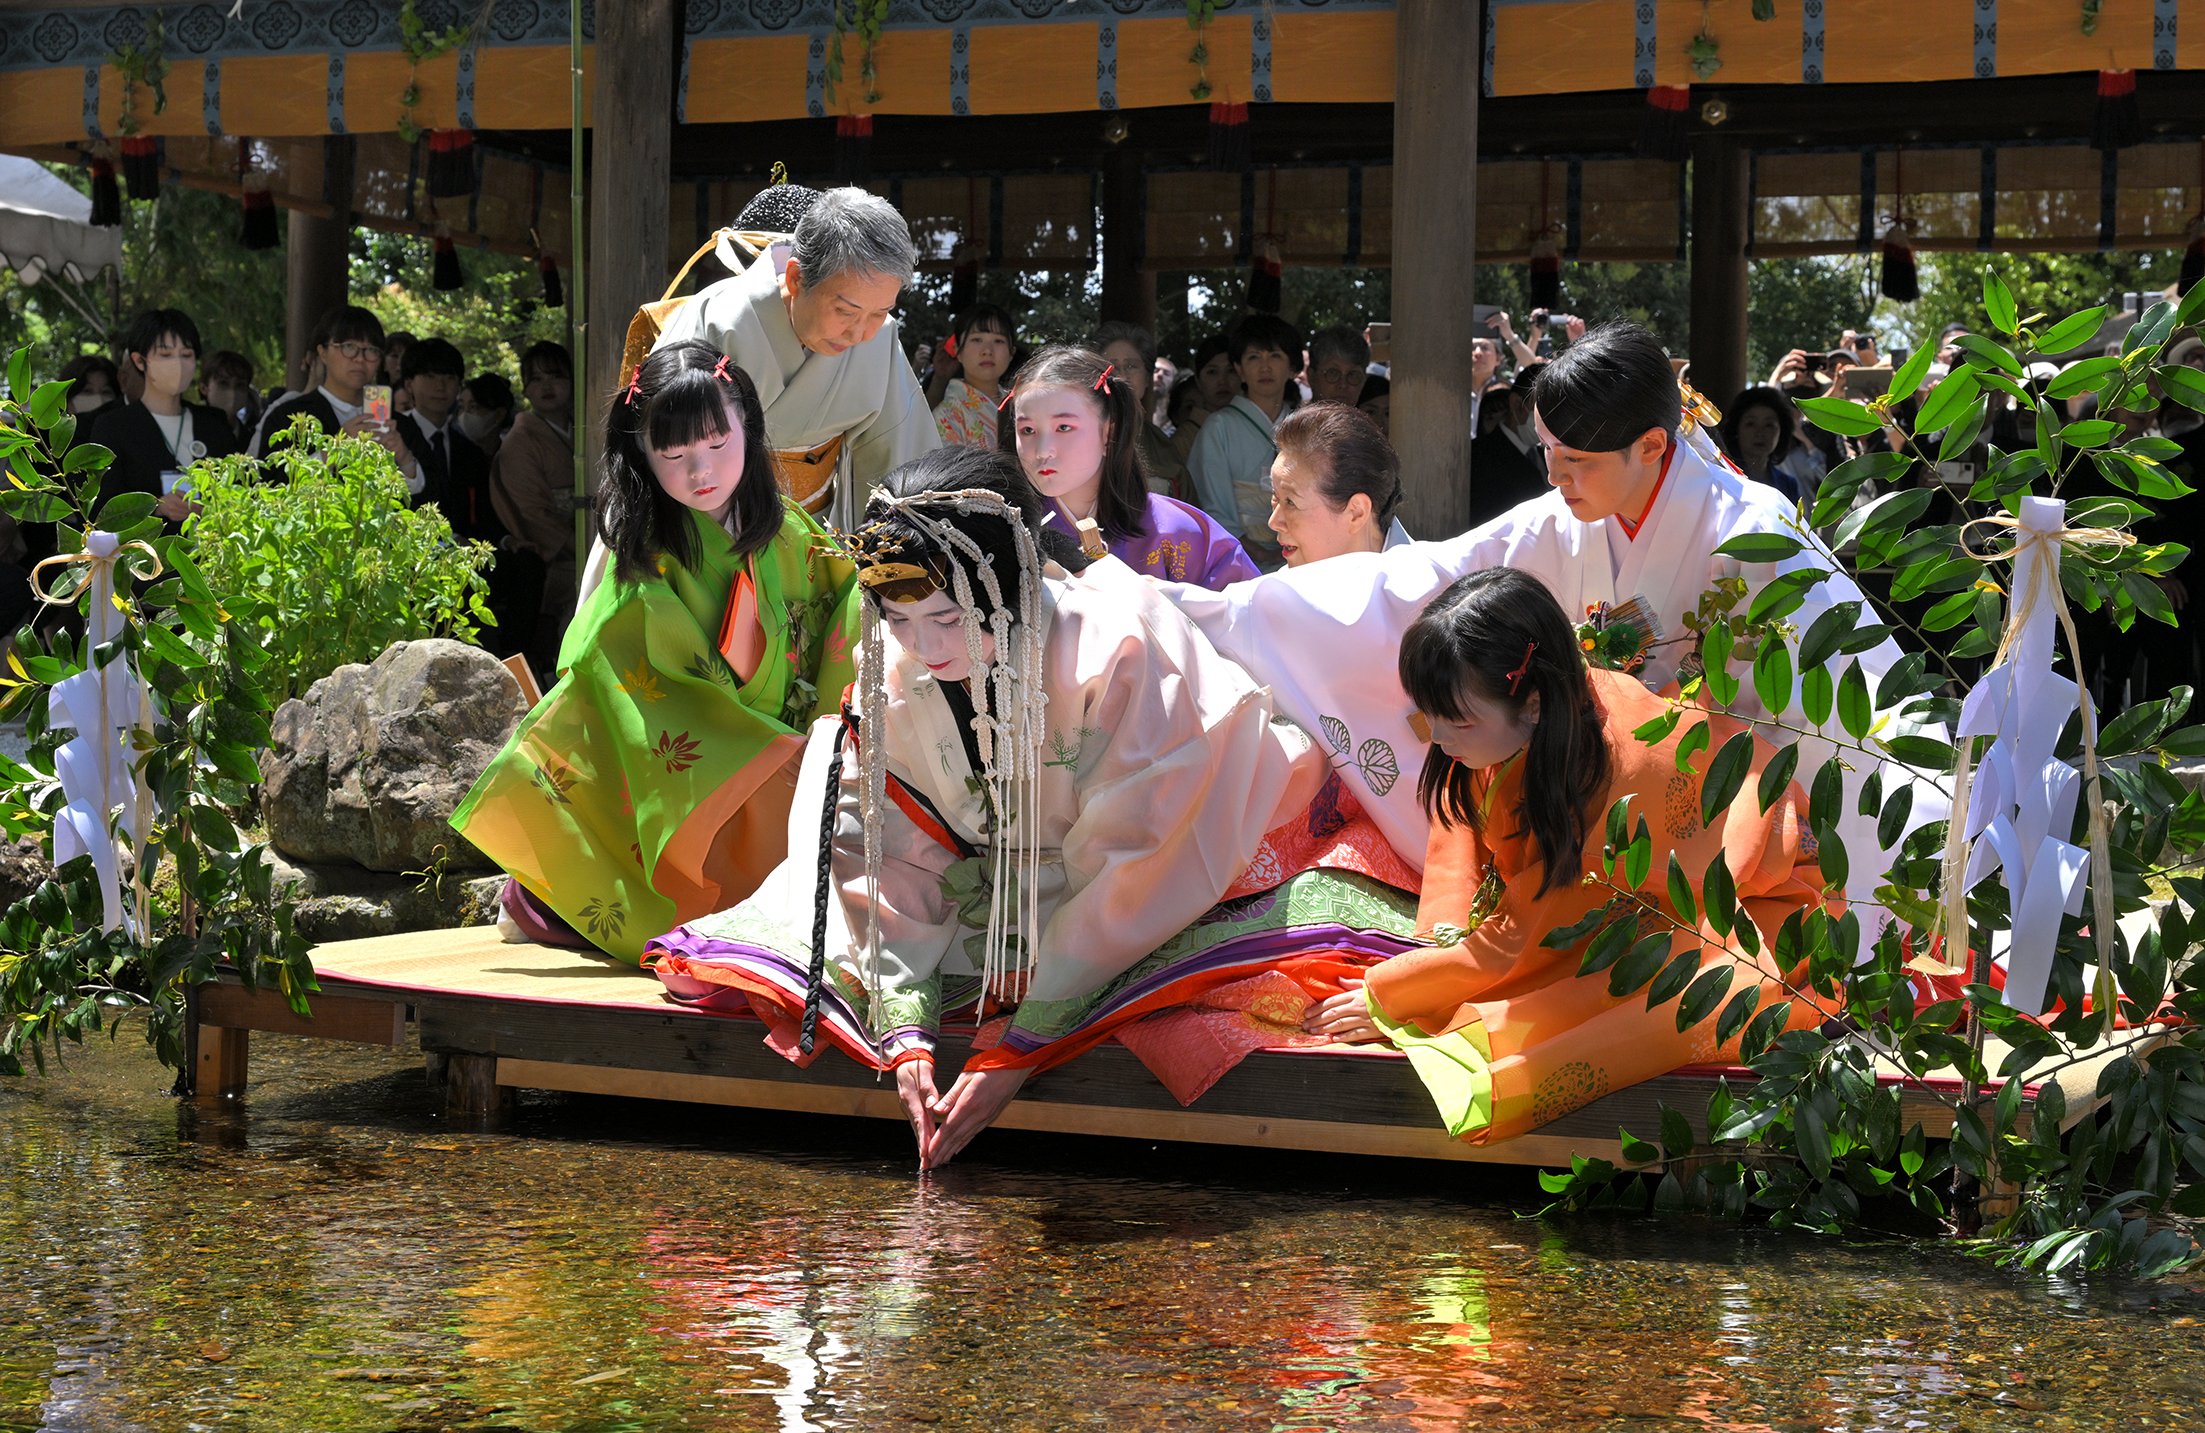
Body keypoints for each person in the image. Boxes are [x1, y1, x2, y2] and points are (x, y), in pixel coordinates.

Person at [643, 445, 1419, 1168]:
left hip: (1200, 833)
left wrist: (1019, 1047)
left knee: (1193, 968)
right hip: (1025, 860)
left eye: (949, 617)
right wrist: (905, 1030)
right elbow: (885, 835)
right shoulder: (899, 663)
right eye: (899, 619)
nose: (925, 645)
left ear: (1017, 580)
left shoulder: (1115, 648)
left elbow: (1141, 846)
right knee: (832, 923)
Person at [1158, 321, 1928, 915]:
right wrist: (1234, 610)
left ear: (1653, 444)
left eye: (1575, 461)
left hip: (1747, 815)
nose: (1553, 477)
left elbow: (1840, 697)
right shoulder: (1567, 518)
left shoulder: (1750, 528)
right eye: (1548, 453)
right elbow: (1421, 579)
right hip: (1612, 815)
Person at [1297, 569, 1828, 1143]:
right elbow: (1463, 829)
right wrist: (1438, 945)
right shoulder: (1543, 719)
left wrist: (1394, 993)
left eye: (1460, 720)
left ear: (1531, 703)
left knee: (1655, 991)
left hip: (1748, 900)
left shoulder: (1613, 778)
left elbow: (1531, 933)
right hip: (1628, 878)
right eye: (1434, 715)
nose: (1440, 738)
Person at [449, 340, 861, 962]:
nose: (701, 471)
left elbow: (840, 607)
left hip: (782, 739)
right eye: (673, 453)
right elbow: (607, 653)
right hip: (709, 747)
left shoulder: (793, 532)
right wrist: (758, 736)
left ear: (747, 425)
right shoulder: (640, 548)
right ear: (641, 454)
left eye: (719, 444)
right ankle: (544, 898)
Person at [653, 186, 941, 526]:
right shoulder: (716, 319)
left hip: (814, 539)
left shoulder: (881, 338)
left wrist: (889, 547)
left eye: (879, 312)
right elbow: (660, 443)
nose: (860, 333)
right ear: (796, 277)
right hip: (706, 531)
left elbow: (900, 455)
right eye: (846, 311)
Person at [1001, 345, 1256, 588]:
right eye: (1028, 430)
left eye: (1064, 427)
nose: (1044, 450)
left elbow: (1244, 609)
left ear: (1107, 432)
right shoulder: (1005, 533)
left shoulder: (1174, 530)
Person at [87, 308, 242, 524]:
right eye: (165, 355)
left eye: (186, 355)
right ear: (140, 361)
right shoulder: (113, 427)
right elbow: (101, 509)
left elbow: (241, 494)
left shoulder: (214, 423)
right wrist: (156, 507)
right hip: (149, 554)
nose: (178, 364)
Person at [253, 306, 421, 491]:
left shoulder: (400, 426)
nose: (360, 359)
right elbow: (269, 488)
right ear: (323, 352)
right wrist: (334, 450)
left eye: (371, 350)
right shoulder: (289, 417)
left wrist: (404, 459)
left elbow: (427, 500)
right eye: (348, 347)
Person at [490, 340, 579, 672]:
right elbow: (533, 514)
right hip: (555, 558)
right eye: (536, 379)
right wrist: (580, 547)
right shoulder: (522, 441)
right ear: (525, 388)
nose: (546, 386)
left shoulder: (578, 429)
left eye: (555, 376)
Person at [1188, 313, 1303, 563]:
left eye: (1275, 356)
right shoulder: (1218, 427)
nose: (1264, 367)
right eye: (1253, 357)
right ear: (1239, 369)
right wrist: (1260, 553)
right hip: (1236, 559)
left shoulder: (1304, 428)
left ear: (1292, 367)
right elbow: (1212, 508)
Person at [1266, 401, 1408, 566]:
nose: (1274, 522)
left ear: (1356, 512)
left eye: (1290, 502)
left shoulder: (1429, 588)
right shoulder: (1272, 589)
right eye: (1275, 497)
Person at [393, 338, 497, 541]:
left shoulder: (469, 450)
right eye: (430, 376)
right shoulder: (394, 437)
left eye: (449, 378)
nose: (440, 386)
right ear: (409, 385)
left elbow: (482, 514)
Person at [1094, 320, 1190, 501]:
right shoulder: (1076, 434)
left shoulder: (1163, 447)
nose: (1121, 376)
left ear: (1147, 378)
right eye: (1111, 366)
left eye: (1131, 366)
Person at [930, 303, 1016, 449]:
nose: (987, 350)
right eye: (977, 340)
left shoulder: (1017, 405)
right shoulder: (947, 415)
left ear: (1011, 353)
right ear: (957, 350)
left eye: (998, 341)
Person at [1468, 374, 1547, 527]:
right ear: (1517, 404)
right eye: (1542, 409)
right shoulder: (1479, 457)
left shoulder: (1545, 455)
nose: (1550, 420)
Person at [1718, 385, 1816, 506]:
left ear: (1781, 432)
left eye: (1769, 425)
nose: (1760, 432)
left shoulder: (1788, 485)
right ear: (1736, 429)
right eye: (1750, 424)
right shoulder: (1723, 477)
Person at [1169, 333, 1238, 468]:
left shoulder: (1247, 425)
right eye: (1212, 372)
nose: (1222, 381)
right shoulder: (1183, 440)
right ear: (1198, 381)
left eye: (1231, 371)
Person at [201, 349, 257, 449]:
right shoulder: (190, 433)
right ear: (204, 388)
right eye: (223, 384)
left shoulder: (253, 440)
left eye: (240, 385)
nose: (232, 392)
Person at [1307, 325, 1371, 407]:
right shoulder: (1293, 419)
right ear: (1311, 376)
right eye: (1333, 373)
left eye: (1353, 375)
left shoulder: (1370, 419)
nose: (1343, 384)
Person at [460, 372, 515, 464]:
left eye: (473, 407)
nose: (464, 414)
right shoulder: (452, 458)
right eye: (461, 407)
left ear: (499, 414)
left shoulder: (514, 458)